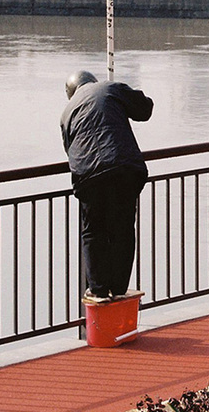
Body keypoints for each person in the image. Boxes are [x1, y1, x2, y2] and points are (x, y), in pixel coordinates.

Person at [60, 69, 154, 303]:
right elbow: (144, 109)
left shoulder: (66, 113)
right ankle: (119, 288)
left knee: (93, 231)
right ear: (91, 81)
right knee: (123, 227)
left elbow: (70, 149)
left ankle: (99, 290)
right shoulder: (109, 88)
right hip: (124, 167)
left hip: (88, 174)